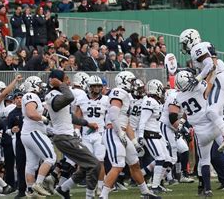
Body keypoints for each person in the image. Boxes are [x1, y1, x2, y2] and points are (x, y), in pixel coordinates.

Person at [41, 70, 100, 199]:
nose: (69, 82)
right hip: (64, 137)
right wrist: (61, 84)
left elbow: (69, 116)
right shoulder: (52, 95)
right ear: (57, 80)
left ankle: (64, 188)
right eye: (66, 78)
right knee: (94, 164)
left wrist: (87, 123)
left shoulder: (59, 93)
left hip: (68, 137)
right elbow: (70, 97)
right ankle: (89, 196)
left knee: (86, 165)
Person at [100, 71, 159, 199]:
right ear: (124, 81)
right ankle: (103, 196)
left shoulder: (127, 96)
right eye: (131, 81)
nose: (133, 84)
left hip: (121, 133)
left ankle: (145, 192)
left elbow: (126, 123)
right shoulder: (119, 92)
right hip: (113, 132)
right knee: (119, 165)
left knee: (134, 163)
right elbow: (113, 112)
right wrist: (120, 132)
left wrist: (134, 142)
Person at [20, 76, 55, 197]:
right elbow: (31, 113)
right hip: (33, 131)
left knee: (32, 164)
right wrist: (44, 119)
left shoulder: (32, 97)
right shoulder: (31, 96)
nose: (41, 87)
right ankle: (38, 184)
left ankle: (30, 191)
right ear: (33, 85)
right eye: (39, 84)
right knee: (50, 157)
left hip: (29, 132)